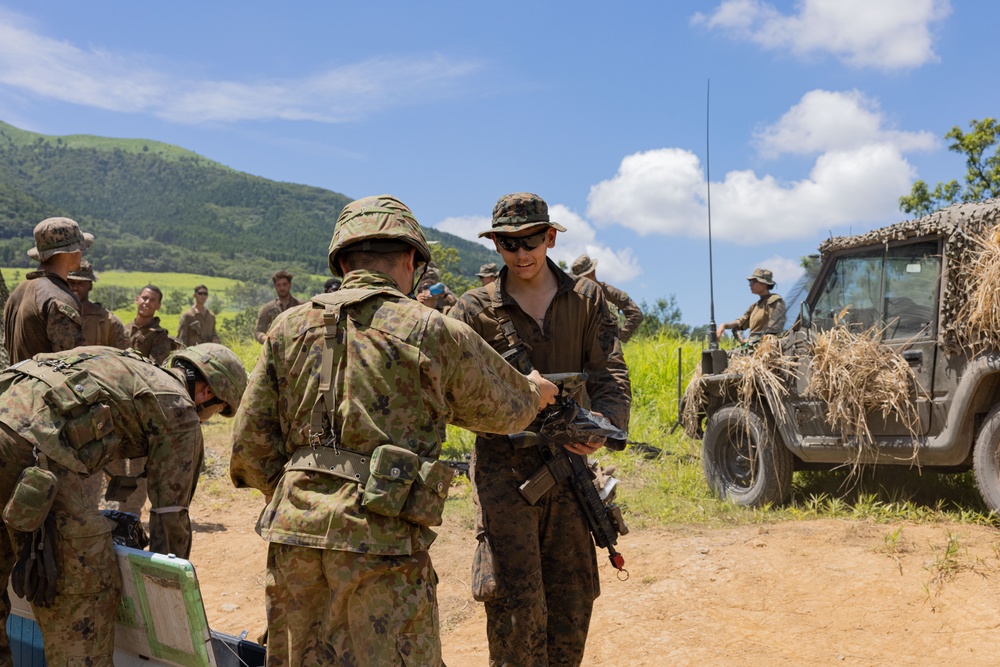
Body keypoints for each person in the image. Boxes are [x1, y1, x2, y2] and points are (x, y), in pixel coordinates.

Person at [230, 194, 558, 667]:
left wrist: (309, 497)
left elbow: (249, 448)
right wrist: (534, 389)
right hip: (381, 542)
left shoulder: (287, 327)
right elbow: (504, 411)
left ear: (342, 260)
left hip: (294, 539)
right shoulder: (428, 328)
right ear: (410, 260)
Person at [450, 192, 631, 667]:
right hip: (503, 474)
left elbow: (611, 374)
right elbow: (448, 391)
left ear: (550, 237)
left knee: (572, 599)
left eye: (531, 240)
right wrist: (513, 393)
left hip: (570, 469)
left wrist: (603, 429)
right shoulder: (471, 312)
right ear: (495, 246)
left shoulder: (587, 300)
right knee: (514, 604)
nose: (521, 253)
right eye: (508, 244)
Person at [0, 343, 247, 665]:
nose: (207, 420)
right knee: (86, 588)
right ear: (205, 392)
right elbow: (170, 515)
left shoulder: (123, 363)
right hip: (31, 450)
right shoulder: (180, 409)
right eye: (217, 411)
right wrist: (166, 598)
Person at [3, 217, 92, 364]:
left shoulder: (18, 293)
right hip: (47, 386)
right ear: (70, 252)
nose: (81, 253)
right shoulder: (60, 299)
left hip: (18, 384)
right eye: (80, 248)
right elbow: (73, 364)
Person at [571, 254, 644, 343]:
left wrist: (619, 335)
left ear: (592, 273)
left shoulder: (611, 293)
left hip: (607, 350)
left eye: (583, 278)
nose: (581, 282)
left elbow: (636, 314)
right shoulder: (574, 297)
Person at [67, 260, 129, 349]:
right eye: (71, 283)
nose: (75, 288)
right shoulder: (56, 316)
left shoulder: (109, 322)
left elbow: (123, 357)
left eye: (81, 283)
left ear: (90, 286)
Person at [716, 268, 786, 343]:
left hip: (766, 346)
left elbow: (774, 328)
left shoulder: (774, 301)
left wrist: (756, 341)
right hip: (754, 346)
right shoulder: (755, 306)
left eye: (753, 281)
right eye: (750, 282)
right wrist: (724, 325)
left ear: (764, 283)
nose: (750, 284)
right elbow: (741, 322)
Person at [125, 285, 181, 364]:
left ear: (158, 306)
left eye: (153, 300)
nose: (147, 303)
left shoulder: (160, 336)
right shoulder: (123, 329)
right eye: (144, 298)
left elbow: (154, 368)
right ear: (137, 299)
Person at [254, 270, 301, 343]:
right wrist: (267, 340)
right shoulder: (268, 309)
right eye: (278, 285)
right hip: (275, 350)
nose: (282, 288)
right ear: (275, 286)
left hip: (297, 348)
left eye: (285, 284)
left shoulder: (301, 306)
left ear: (290, 285)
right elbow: (258, 331)